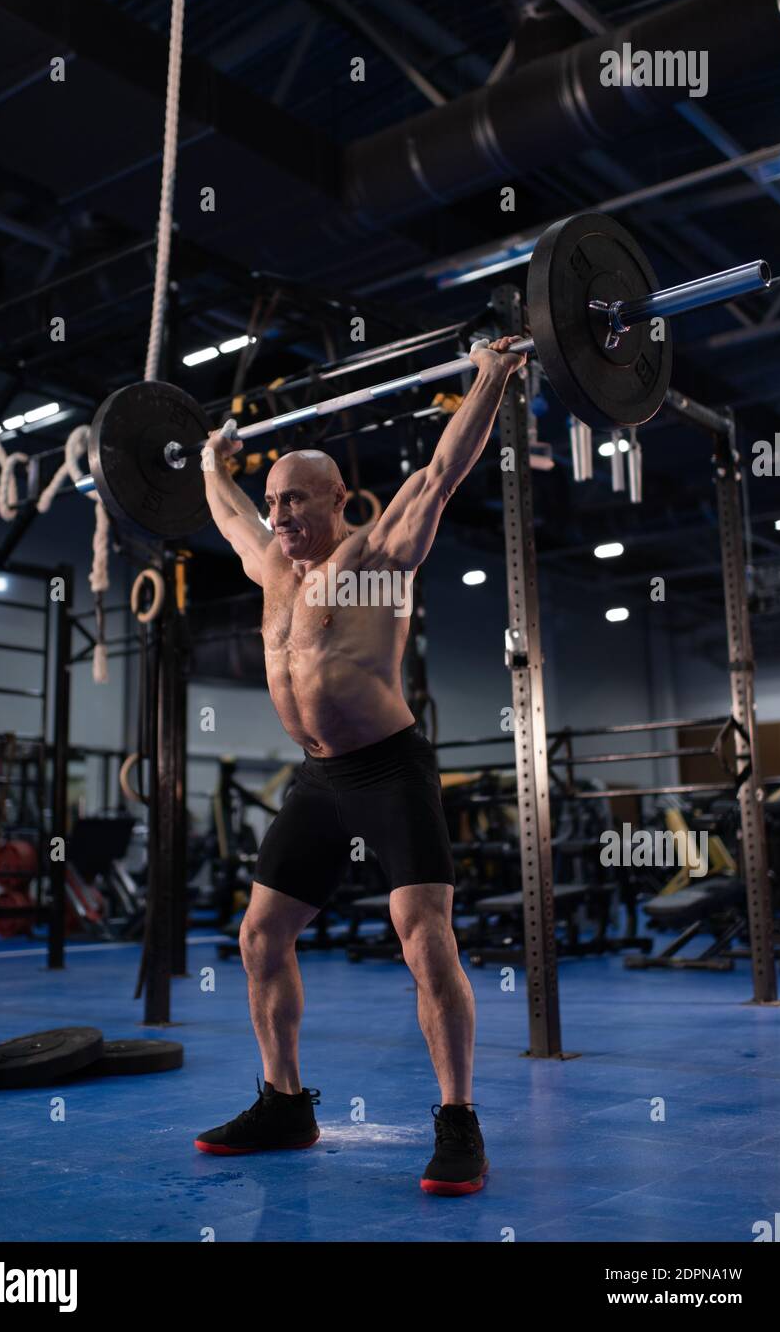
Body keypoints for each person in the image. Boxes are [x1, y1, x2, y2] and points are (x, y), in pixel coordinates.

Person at [194, 337, 526, 1195]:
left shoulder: (373, 563)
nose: (281, 515)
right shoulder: (270, 566)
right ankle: (284, 1103)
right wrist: (210, 460)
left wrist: (488, 377)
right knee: (260, 937)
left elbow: (441, 475)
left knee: (425, 941)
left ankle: (458, 1122)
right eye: (275, 501)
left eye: (298, 499)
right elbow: (224, 511)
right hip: (319, 779)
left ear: (340, 498)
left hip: (388, 772)